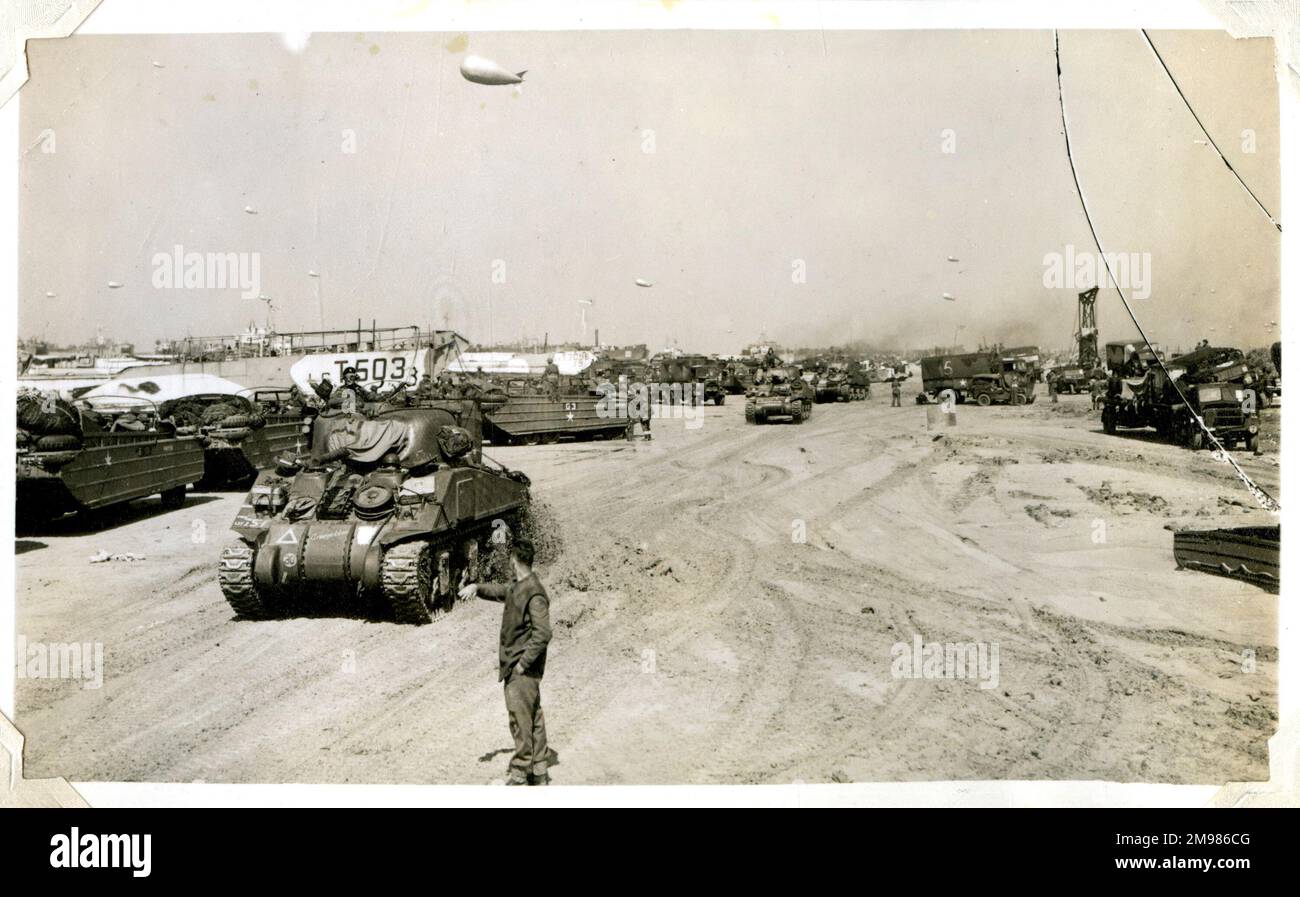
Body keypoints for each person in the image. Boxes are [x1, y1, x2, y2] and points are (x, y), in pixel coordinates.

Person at [458, 538, 553, 786]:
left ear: (514, 561)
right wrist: (477, 587)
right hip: (521, 667)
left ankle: (521, 775)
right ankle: (539, 772)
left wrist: (522, 664)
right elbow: (501, 591)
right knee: (533, 718)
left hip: (522, 668)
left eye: (510, 560)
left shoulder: (534, 592)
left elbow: (543, 633)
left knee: (520, 720)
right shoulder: (520, 585)